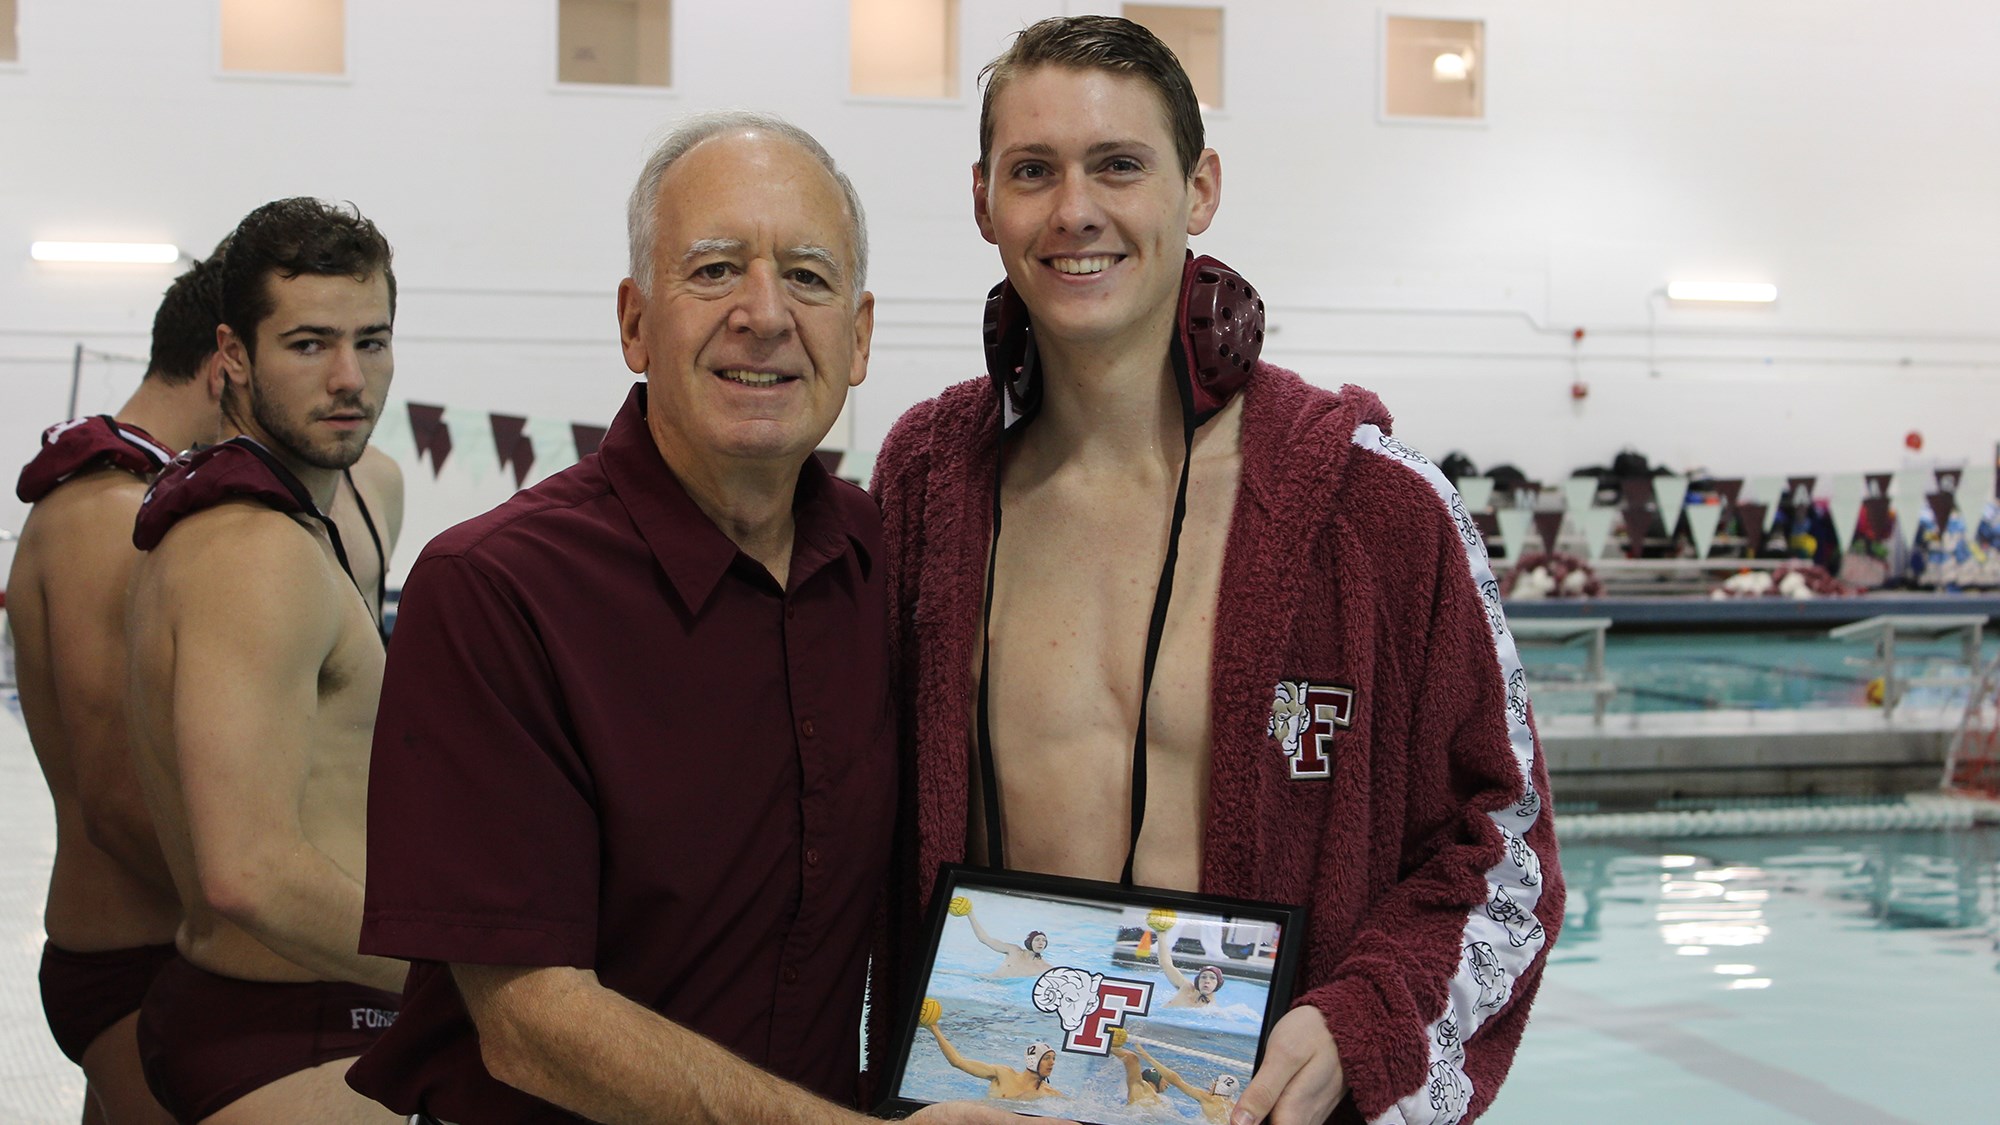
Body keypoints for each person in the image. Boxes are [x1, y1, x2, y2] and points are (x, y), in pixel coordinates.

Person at [872, 16, 1563, 1125]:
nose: (1073, 211)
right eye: (1032, 171)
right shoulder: (922, 482)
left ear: (1198, 190)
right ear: (981, 199)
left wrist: (1361, 1019)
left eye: (1118, 165)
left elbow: (1503, 840)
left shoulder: (1368, 503)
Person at [348, 112, 1008, 1125]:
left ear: (860, 335)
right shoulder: (497, 590)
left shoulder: (877, 558)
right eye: (710, 270)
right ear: (633, 323)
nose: (763, 313)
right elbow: (528, 1019)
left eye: (808, 276)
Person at [125, 197, 407, 1124]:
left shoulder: (276, 520)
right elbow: (247, 870)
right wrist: (462, 971)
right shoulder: (255, 554)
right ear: (233, 357)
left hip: (274, 1009)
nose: (348, 378)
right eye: (309, 343)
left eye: (371, 342)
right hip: (295, 1023)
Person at [9, 256, 229, 1124]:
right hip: (131, 956)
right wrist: (264, 905)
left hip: (141, 949)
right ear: (225, 366)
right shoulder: (110, 514)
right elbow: (114, 792)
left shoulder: (127, 491)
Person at [919, 1006, 1064, 1104]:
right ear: (1033, 1060)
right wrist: (934, 1029)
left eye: (1053, 1059)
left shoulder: (1048, 1093)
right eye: (1046, 1058)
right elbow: (957, 1062)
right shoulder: (1002, 1074)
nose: (1052, 1063)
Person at [1129, 1044, 1237, 1124]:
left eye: (1215, 1083)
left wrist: (1148, 1057)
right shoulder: (1235, 1106)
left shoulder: (1208, 1098)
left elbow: (1175, 1080)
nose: (1211, 1085)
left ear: (1220, 1087)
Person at [958, 901, 1049, 978]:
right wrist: (970, 914)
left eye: (1044, 940)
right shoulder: (1013, 950)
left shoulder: (1044, 967)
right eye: (1037, 940)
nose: (1041, 943)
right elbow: (984, 939)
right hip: (987, 980)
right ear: (1028, 942)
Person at [1156, 940, 1223, 1009]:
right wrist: (1161, 935)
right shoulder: (1186, 988)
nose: (1207, 981)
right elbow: (1165, 964)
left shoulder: (1211, 1010)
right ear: (1197, 981)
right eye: (1203, 977)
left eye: (1212, 978)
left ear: (1218, 984)